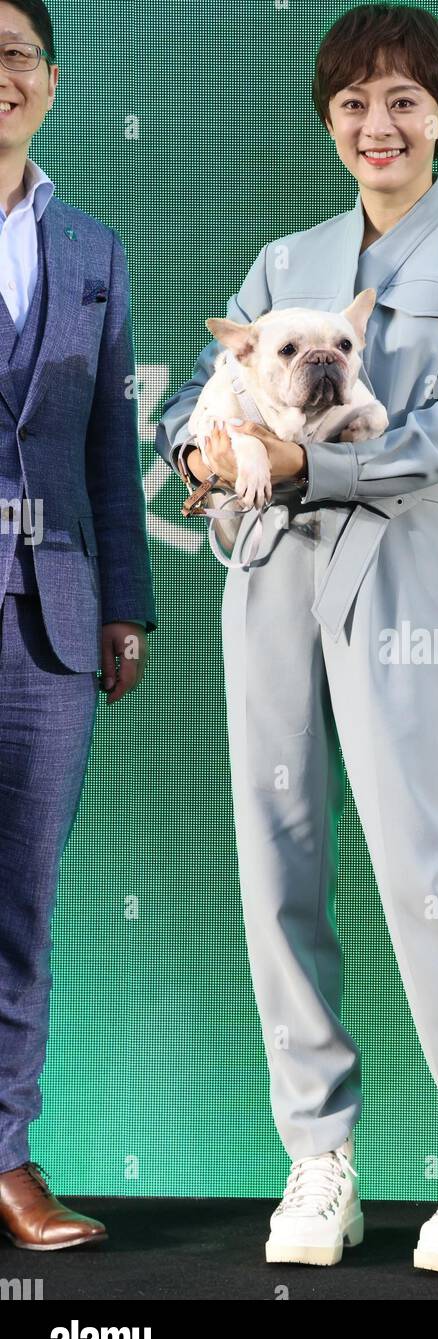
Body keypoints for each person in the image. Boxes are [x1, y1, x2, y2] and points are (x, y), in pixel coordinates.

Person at [155, 3, 438, 1279]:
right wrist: (198, 448)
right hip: (266, 568)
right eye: (352, 107)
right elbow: (191, 394)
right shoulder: (285, 259)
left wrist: (294, 458)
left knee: (418, 867)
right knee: (276, 868)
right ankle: (318, 1158)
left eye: (403, 102)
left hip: (401, 570)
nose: (376, 127)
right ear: (329, 124)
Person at [0, 0, 155, 1250]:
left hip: (51, 619)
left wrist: (126, 611)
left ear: (49, 81)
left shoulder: (92, 248)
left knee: (20, 903)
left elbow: (111, 440)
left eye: (14, 56)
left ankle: (4, 1154)